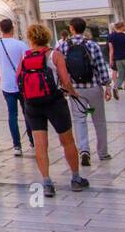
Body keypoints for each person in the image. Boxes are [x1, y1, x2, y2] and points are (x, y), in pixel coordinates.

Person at [18, 23, 88, 196]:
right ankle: (75, 178)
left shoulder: (25, 58)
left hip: (32, 104)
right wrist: (73, 94)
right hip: (55, 102)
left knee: (40, 144)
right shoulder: (55, 55)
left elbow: (17, 79)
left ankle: (47, 182)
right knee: (67, 141)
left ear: (31, 39)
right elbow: (65, 80)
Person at [56, 18, 112, 167]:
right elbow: (101, 67)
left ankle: (84, 151)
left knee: (80, 120)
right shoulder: (92, 45)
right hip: (93, 88)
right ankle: (103, 152)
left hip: (75, 90)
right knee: (99, 120)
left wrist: (63, 87)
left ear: (72, 29)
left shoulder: (63, 47)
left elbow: (59, 69)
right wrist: (107, 85)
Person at [0, 17, 33, 157]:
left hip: (6, 84)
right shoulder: (21, 45)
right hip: (22, 84)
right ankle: (32, 139)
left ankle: (17, 146)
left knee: (12, 114)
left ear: (1, 30)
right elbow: (26, 63)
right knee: (28, 113)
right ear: (12, 28)